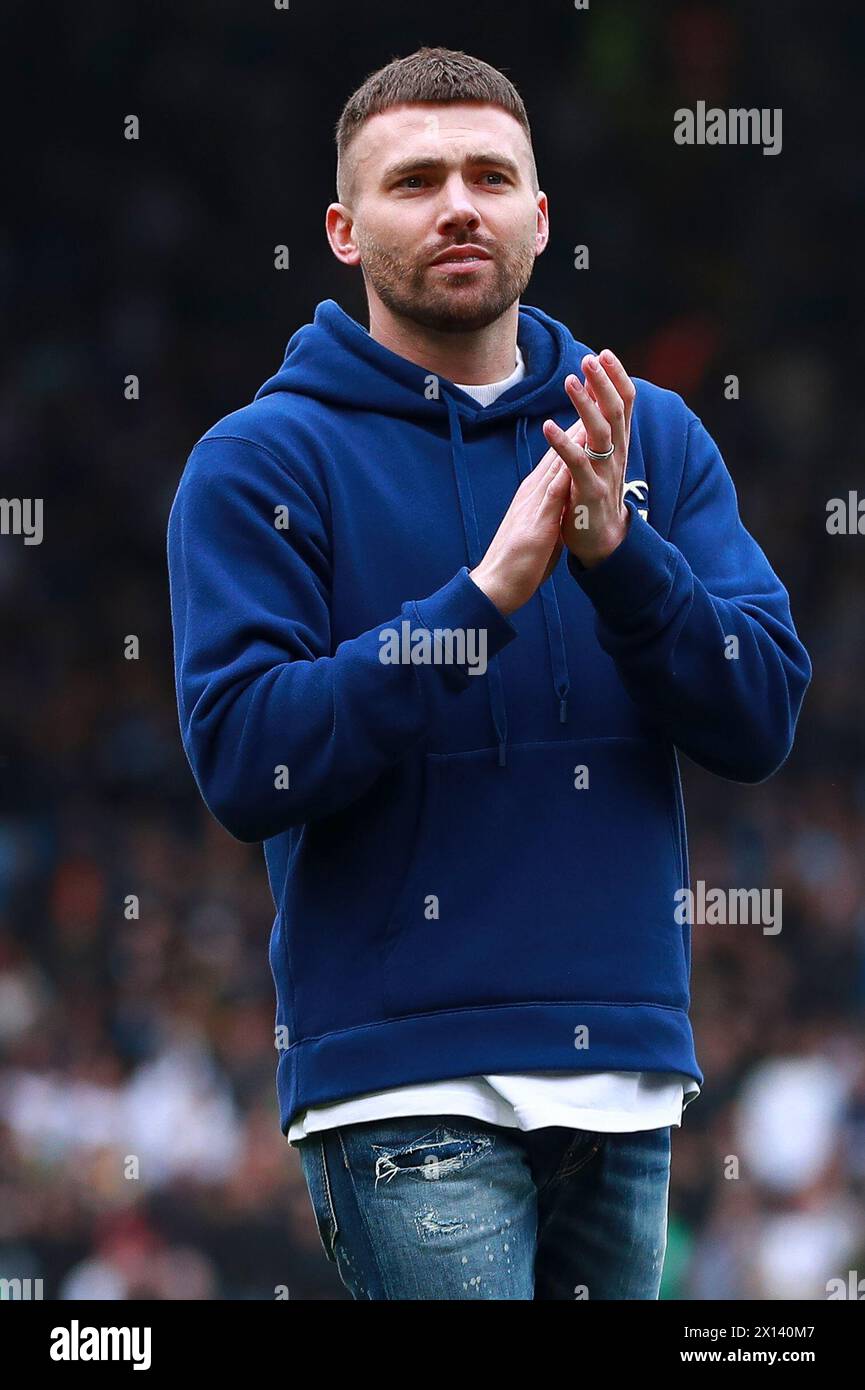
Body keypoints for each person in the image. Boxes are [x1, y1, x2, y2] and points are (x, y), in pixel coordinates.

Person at [166, 47, 811, 1299]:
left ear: (538, 216)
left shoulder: (648, 434)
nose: (458, 203)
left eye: (488, 175)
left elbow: (761, 711)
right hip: (402, 1085)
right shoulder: (257, 463)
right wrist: (480, 605)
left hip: (624, 1075)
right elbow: (248, 756)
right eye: (415, 181)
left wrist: (621, 561)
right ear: (346, 232)